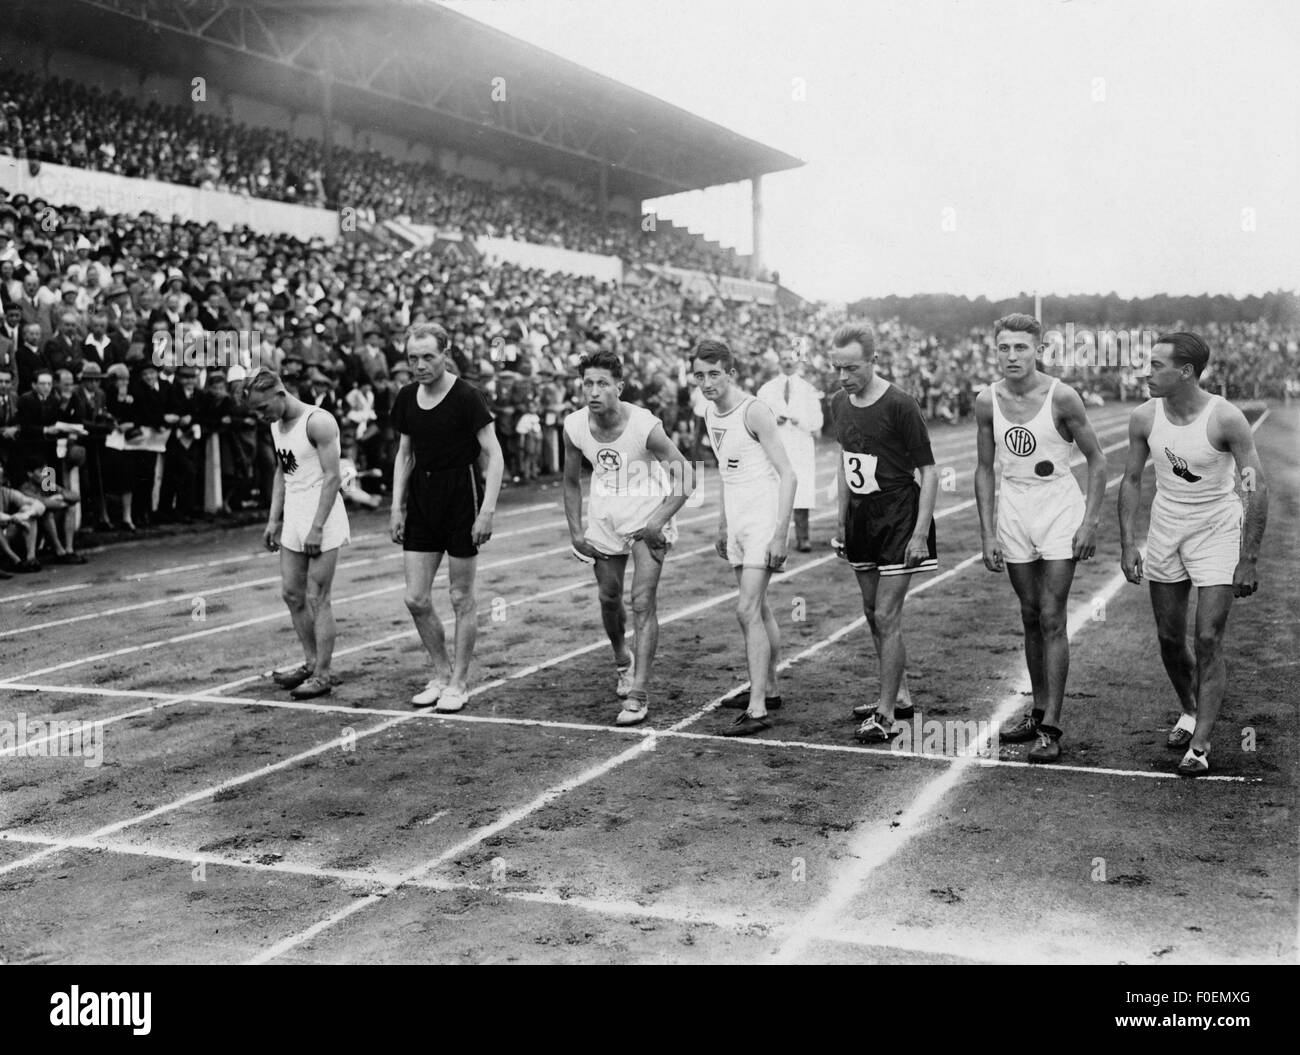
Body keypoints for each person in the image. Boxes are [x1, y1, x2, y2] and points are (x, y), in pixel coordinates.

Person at [1119, 332, 1268, 776]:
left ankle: (1200, 745)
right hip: (1167, 529)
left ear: (1186, 372)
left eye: (1156, 366)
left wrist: (1249, 557)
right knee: (1169, 638)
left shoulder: (1225, 418)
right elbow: (1130, 480)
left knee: (1207, 639)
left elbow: (1254, 486)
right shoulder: (1144, 417)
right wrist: (1128, 542)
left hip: (1217, 530)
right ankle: (1189, 708)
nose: (1147, 373)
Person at [974, 314, 1108, 763]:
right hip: (1014, 508)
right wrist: (987, 531)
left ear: (1038, 351)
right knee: (1030, 614)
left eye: (1021, 348)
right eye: (1005, 348)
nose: (1012, 356)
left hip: (1057, 507)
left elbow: (1098, 460)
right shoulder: (985, 400)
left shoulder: (1062, 396)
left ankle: (1052, 726)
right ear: (996, 351)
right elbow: (983, 468)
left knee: (1052, 616)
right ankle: (1036, 709)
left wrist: (1089, 522)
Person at [563, 349, 695, 726]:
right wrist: (575, 529)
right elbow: (571, 481)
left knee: (642, 601)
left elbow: (687, 477)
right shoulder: (573, 426)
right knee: (608, 596)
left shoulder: (645, 426)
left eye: (602, 383)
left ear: (619, 387)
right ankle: (623, 659)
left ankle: (638, 693)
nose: (593, 391)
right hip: (604, 515)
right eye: (587, 383)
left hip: (647, 512)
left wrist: (659, 521)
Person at [828, 321, 939, 744]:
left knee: (888, 615)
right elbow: (845, 460)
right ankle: (902, 696)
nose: (843, 377)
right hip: (861, 516)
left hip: (898, 513)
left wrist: (919, 532)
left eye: (852, 368)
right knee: (872, 613)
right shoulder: (839, 402)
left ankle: (887, 713)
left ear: (873, 361)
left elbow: (928, 471)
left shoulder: (901, 404)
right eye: (837, 367)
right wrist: (841, 519)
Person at [390, 322, 504, 712]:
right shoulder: (406, 397)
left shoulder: (467, 396)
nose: (419, 365)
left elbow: (495, 453)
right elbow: (405, 454)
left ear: (445, 353)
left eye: (428, 357)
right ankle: (440, 674)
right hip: (422, 498)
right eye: (412, 358)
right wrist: (396, 506)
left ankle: (459, 682)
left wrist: (487, 509)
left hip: (461, 496)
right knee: (415, 598)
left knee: (460, 597)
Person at [694, 339, 797, 737]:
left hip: (763, 519)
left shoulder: (754, 411)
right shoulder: (708, 412)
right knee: (760, 608)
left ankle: (756, 709)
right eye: (700, 375)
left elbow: (788, 473)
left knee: (746, 609)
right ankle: (768, 689)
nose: (707, 383)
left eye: (714, 374)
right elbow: (725, 471)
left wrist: (780, 533)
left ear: (731, 373)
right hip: (737, 519)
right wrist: (723, 523)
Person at [245, 369, 351, 700]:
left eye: (263, 408)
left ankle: (323, 673)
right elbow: (282, 470)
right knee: (292, 593)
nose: (262, 416)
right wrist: (273, 520)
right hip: (294, 513)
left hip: (322, 513)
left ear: (280, 394)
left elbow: (333, 477)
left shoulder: (318, 422)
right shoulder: (277, 425)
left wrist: (317, 526)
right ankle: (310, 662)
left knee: (318, 596)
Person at [757, 345, 823, 551]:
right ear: (778, 362)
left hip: (801, 444)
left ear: (797, 362)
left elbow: (817, 421)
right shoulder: (766, 389)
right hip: (776, 445)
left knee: (802, 490)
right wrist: (772, 420)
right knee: (773, 490)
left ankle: (803, 537)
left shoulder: (808, 389)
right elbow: (756, 418)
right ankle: (774, 537)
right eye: (783, 358)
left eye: (791, 358)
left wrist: (799, 420)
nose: (787, 361)